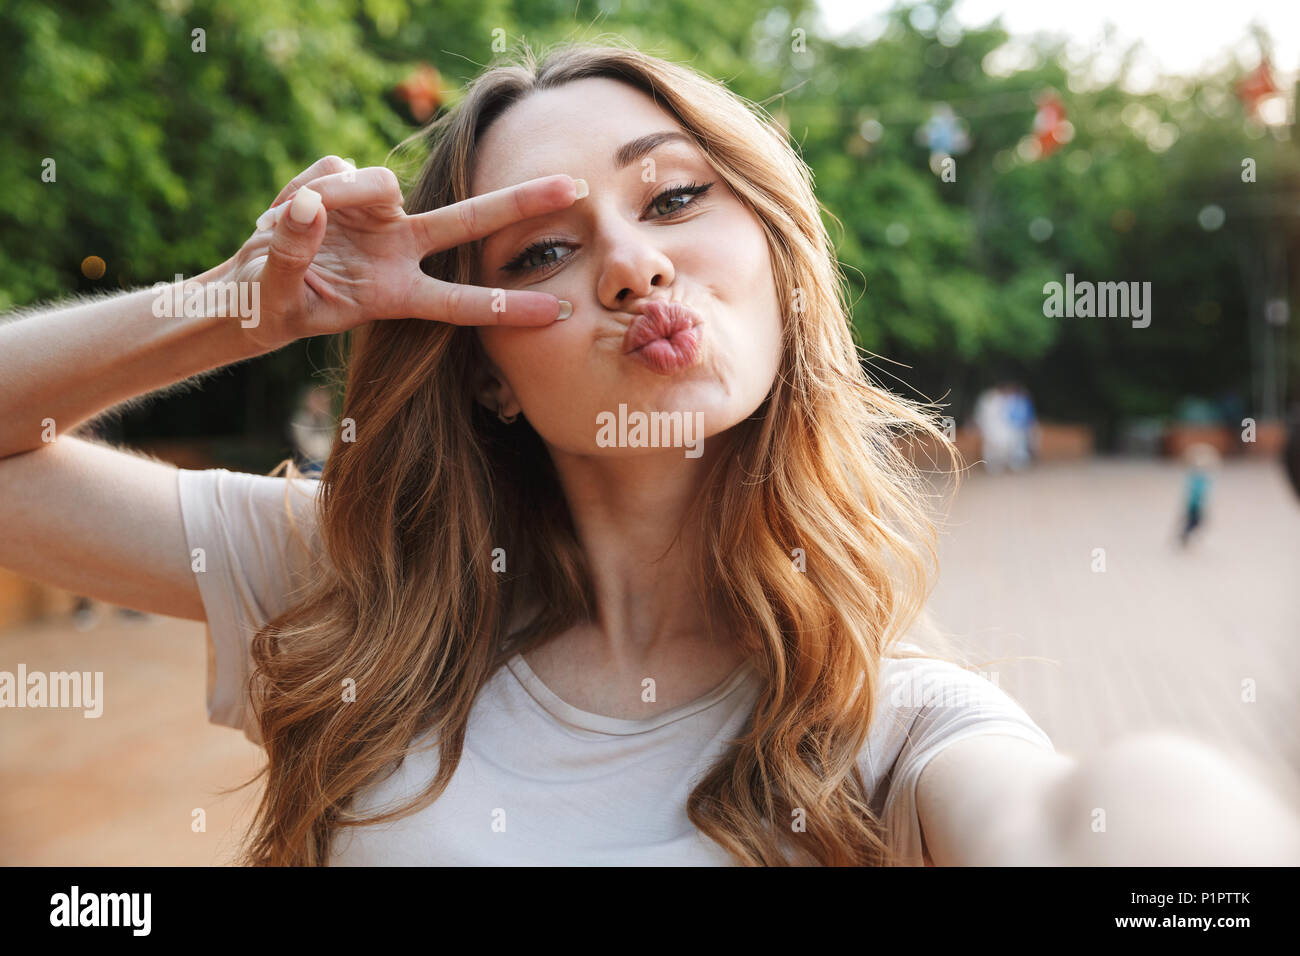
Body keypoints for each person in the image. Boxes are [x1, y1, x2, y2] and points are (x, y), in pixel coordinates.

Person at [2, 42, 1296, 867]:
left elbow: (1088, 831)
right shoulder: (358, 585)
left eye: (675, 195)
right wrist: (247, 305)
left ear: (784, 271)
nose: (634, 261)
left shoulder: (889, 737)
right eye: (546, 252)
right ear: (491, 380)